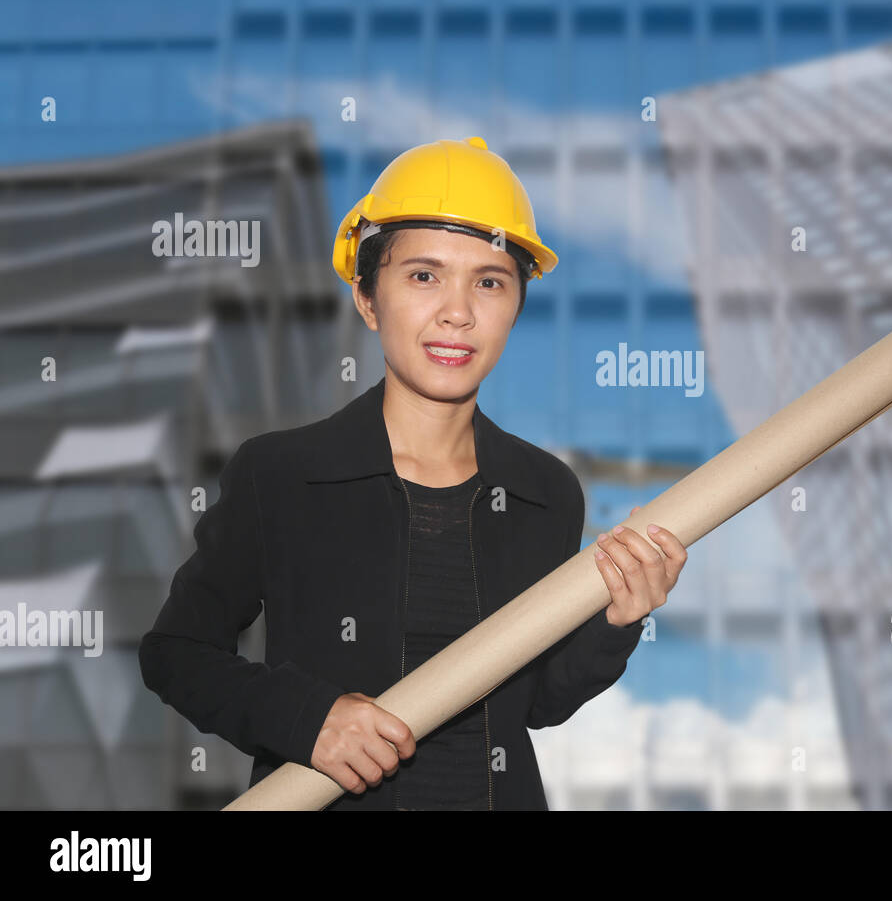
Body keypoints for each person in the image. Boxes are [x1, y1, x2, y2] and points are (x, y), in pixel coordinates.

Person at [138, 137, 686, 809]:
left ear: (515, 306)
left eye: (489, 281)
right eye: (423, 276)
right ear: (367, 298)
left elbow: (534, 702)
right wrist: (306, 718)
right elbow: (176, 651)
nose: (458, 310)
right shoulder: (280, 475)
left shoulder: (544, 493)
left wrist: (616, 622)